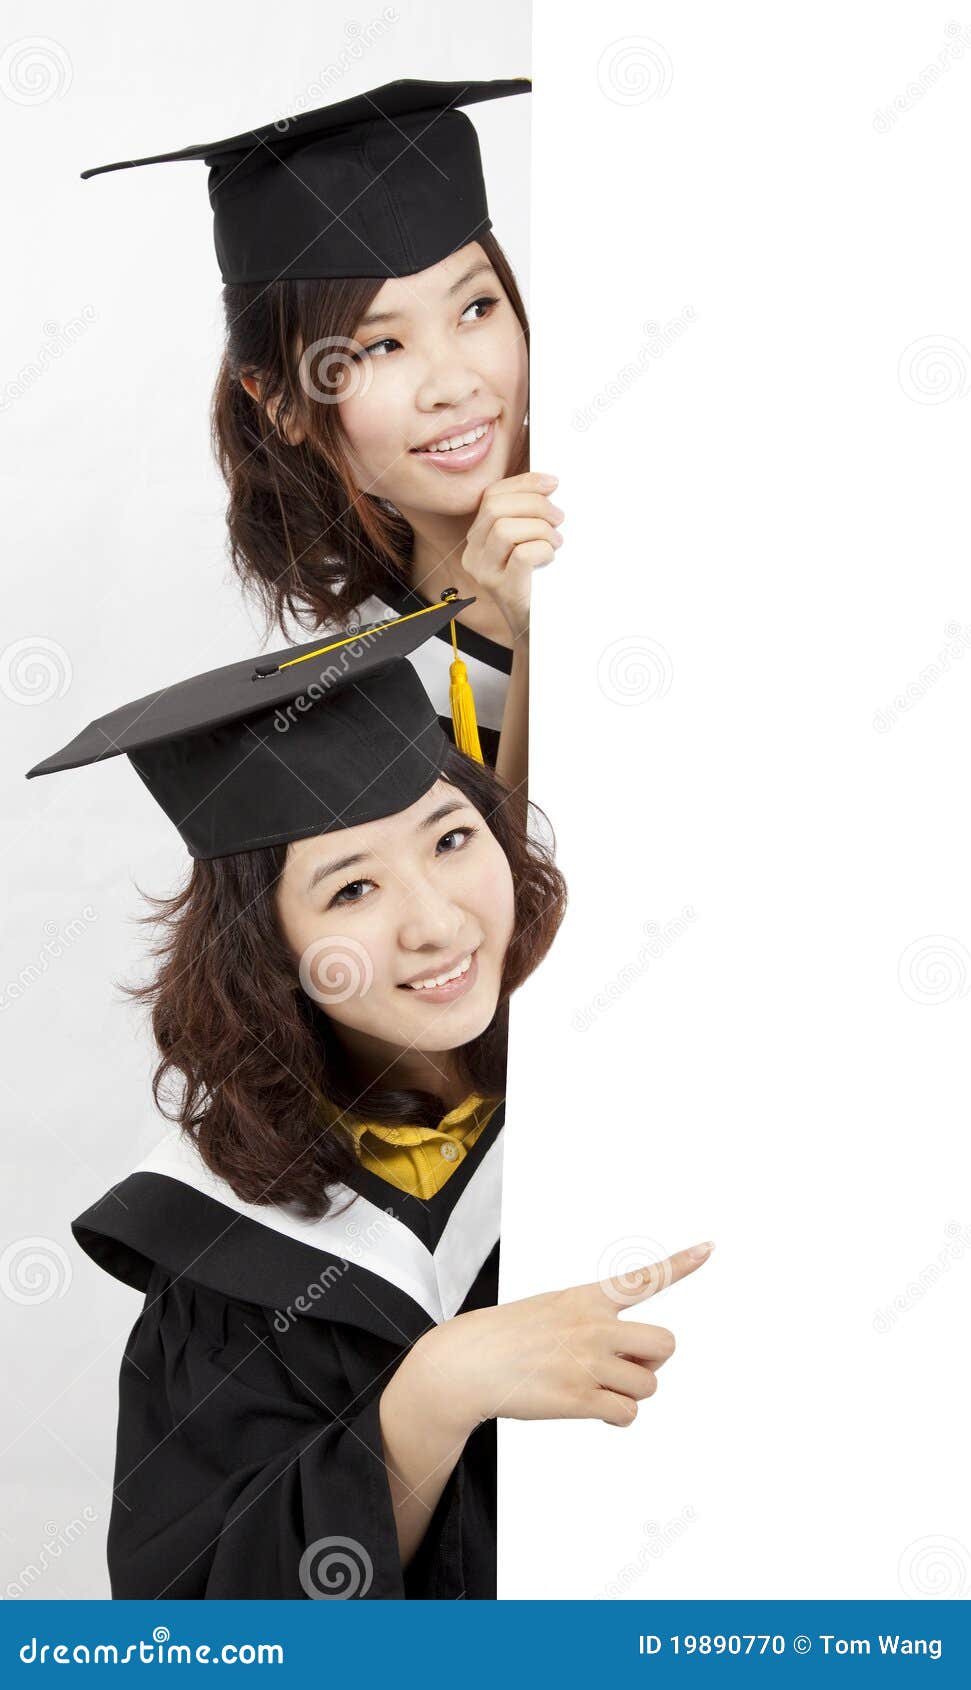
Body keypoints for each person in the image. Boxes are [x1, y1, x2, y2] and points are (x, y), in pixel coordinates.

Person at [28, 602, 713, 1599]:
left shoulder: (645, 1080)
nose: (435, 923)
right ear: (266, 950)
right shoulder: (233, 1261)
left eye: (450, 838)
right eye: (351, 890)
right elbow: (205, 1634)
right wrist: (427, 1401)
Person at [80, 78, 563, 793]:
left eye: (477, 308)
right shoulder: (367, 709)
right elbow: (530, 871)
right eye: (378, 346)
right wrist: (540, 636)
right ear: (281, 402)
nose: (454, 383)